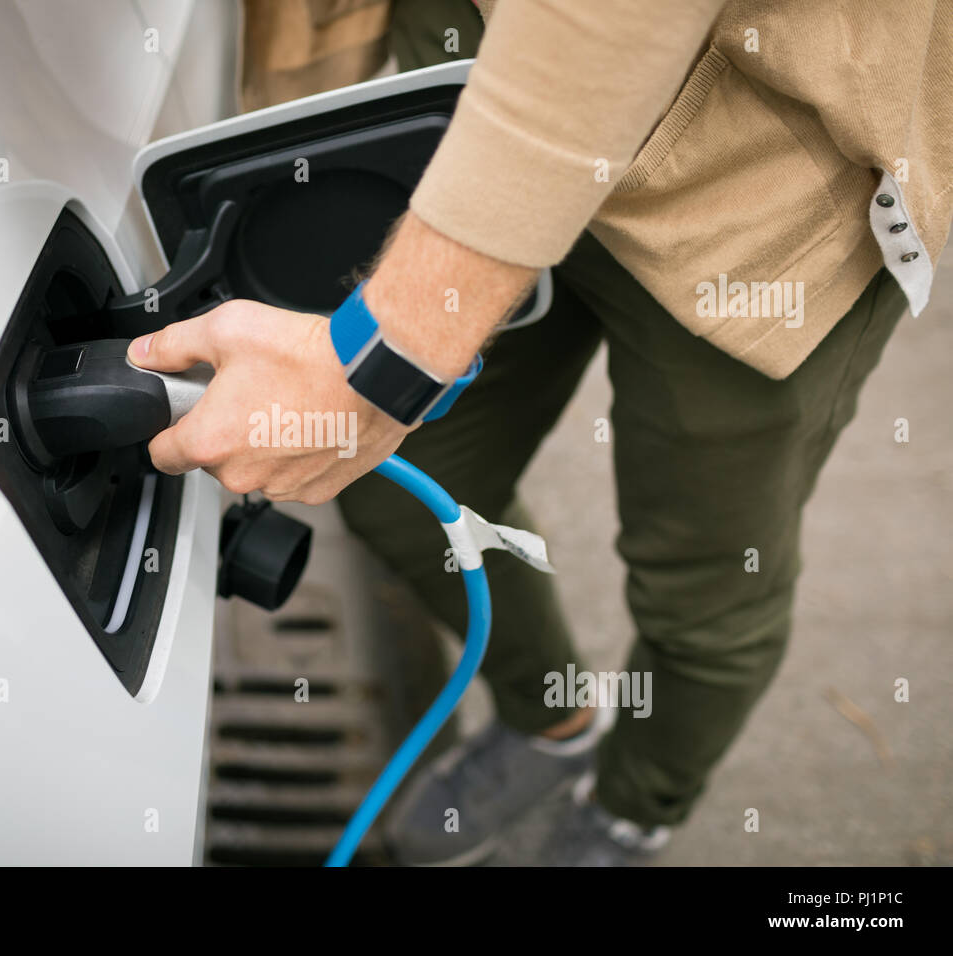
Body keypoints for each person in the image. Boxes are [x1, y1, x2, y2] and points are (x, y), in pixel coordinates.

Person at [127, 0, 952, 864]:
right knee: (406, 484)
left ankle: (636, 806)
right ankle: (550, 716)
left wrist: (387, 357)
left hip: (764, 180)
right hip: (473, 101)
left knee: (704, 595)